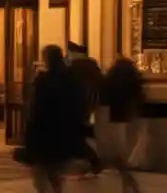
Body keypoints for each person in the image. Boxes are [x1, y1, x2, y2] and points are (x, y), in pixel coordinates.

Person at [25, 45, 86, 193]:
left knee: (42, 175)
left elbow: (36, 110)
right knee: (55, 175)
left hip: (44, 134)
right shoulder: (71, 80)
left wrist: (29, 136)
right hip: (63, 133)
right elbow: (78, 107)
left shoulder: (43, 81)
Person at [98, 56, 145, 193]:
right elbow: (139, 99)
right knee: (122, 157)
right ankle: (129, 184)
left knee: (117, 157)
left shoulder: (109, 83)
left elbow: (103, 102)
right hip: (127, 118)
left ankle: (129, 183)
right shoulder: (132, 82)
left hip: (112, 118)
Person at [67, 42, 104, 176]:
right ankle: (91, 161)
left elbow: (70, 88)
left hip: (77, 106)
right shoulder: (93, 67)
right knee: (79, 134)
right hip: (90, 105)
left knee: (75, 136)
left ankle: (94, 161)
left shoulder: (74, 68)